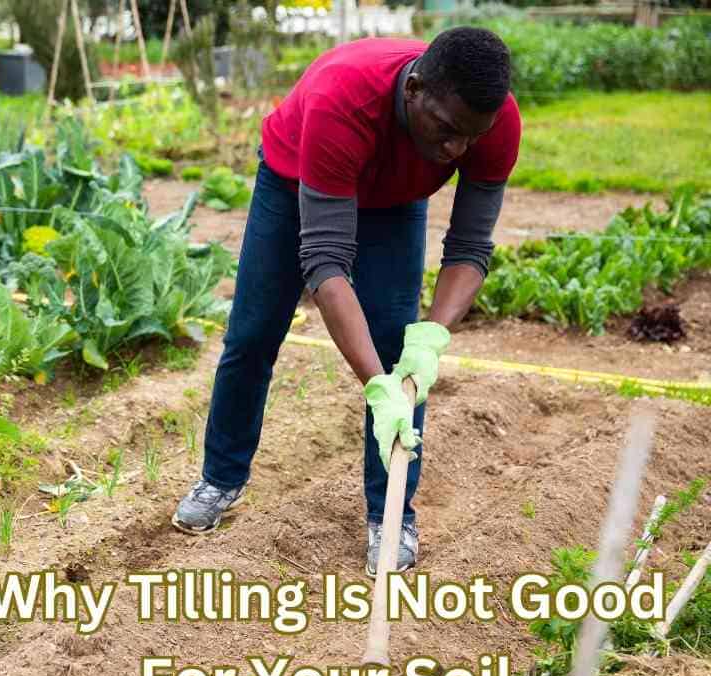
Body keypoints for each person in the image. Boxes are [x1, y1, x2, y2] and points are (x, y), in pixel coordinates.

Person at [170, 27, 522, 577]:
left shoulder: (493, 122)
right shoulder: (343, 98)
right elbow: (325, 264)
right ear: (414, 89)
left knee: (400, 350)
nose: (457, 150)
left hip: (396, 198)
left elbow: (471, 247)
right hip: (295, 180)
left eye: (470, 139)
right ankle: (221, 477)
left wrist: (429, 339)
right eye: (447, 130)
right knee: (253, 333)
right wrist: (377, 389)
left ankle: (390, 514)